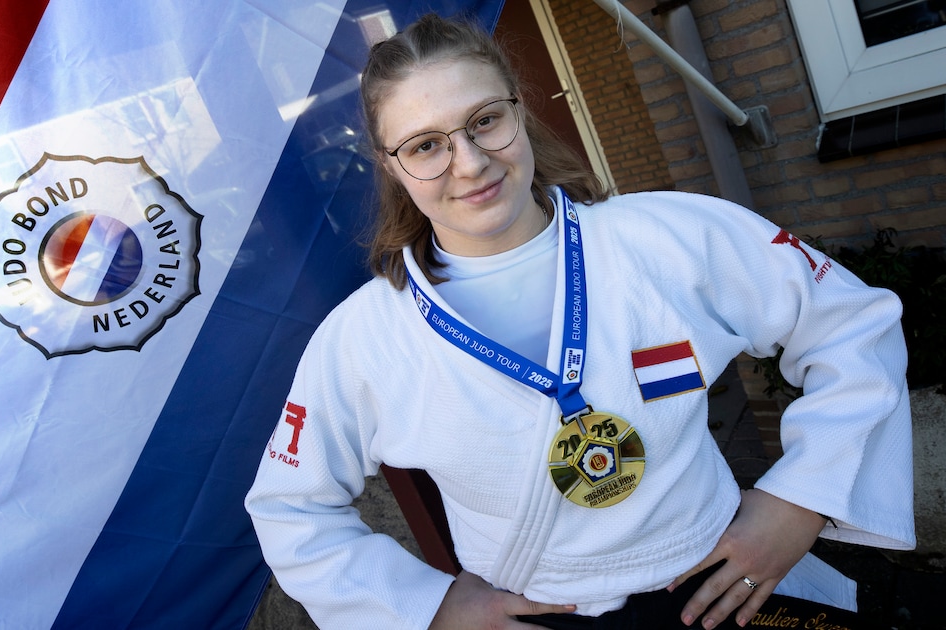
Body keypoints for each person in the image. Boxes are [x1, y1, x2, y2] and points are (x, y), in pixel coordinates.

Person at [244, 12, 914, 630]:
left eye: (484, 121)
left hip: (731, 582)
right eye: (425, 146)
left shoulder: (667, 237)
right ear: (391, 167)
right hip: (542, 613)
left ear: (519, 105)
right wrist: (428, 606)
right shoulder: (362, 338)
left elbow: (852, 322)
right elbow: (289, 507)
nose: (470, 163)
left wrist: (801, 500)